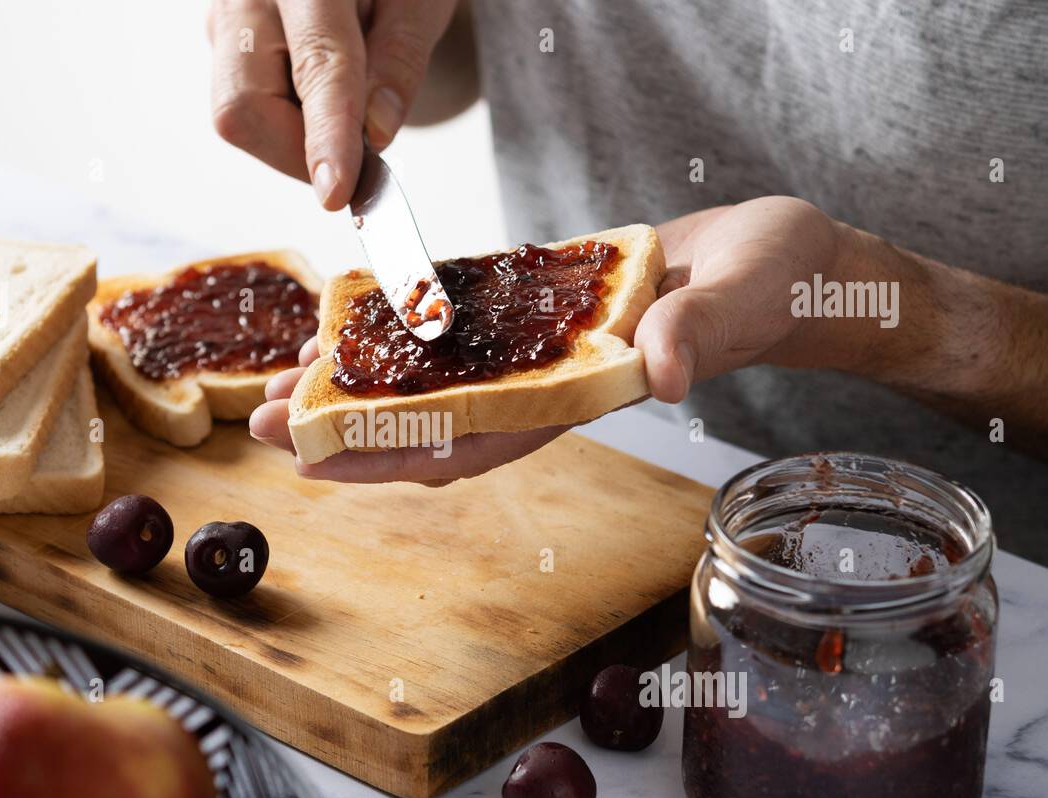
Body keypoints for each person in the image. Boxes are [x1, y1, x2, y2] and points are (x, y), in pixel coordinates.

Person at [207, 0, 1048, 562]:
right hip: (597, 509)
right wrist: (363, 40)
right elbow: (461, 59)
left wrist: (881, 305)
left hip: (975, 579)